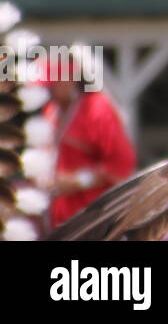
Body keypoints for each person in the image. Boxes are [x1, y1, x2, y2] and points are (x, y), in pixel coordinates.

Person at [38, 50, 135, 230]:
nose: (48, 92)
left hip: (94, 218)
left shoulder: (97, 109)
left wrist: (79, 180)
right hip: (56, 220)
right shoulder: (50, 111)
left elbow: (122, 164)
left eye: (52, 85)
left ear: (71, 79)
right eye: (45, 87)